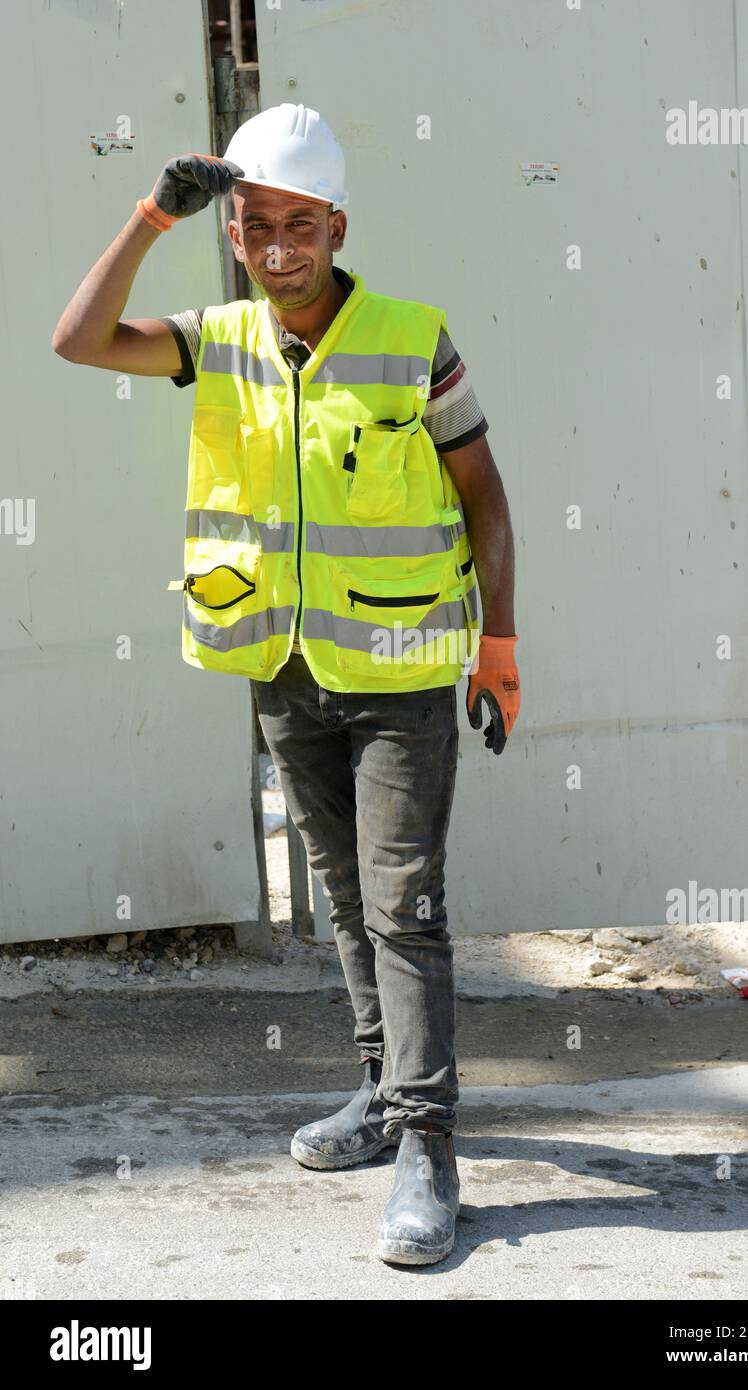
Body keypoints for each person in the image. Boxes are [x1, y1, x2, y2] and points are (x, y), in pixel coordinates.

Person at [52, 102, 521, 1267]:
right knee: (342, 893)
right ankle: (378, 1091)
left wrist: (497, 645)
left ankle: (428, 1147)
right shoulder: (216, 339)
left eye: (297, 223)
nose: (275, 246)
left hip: (405, 671)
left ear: (335, 224)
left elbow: (484, 496)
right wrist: (152, 212)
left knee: (402, 904)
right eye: (254, 224)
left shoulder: (413, 338)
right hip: (285, 669)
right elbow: (75, 337)